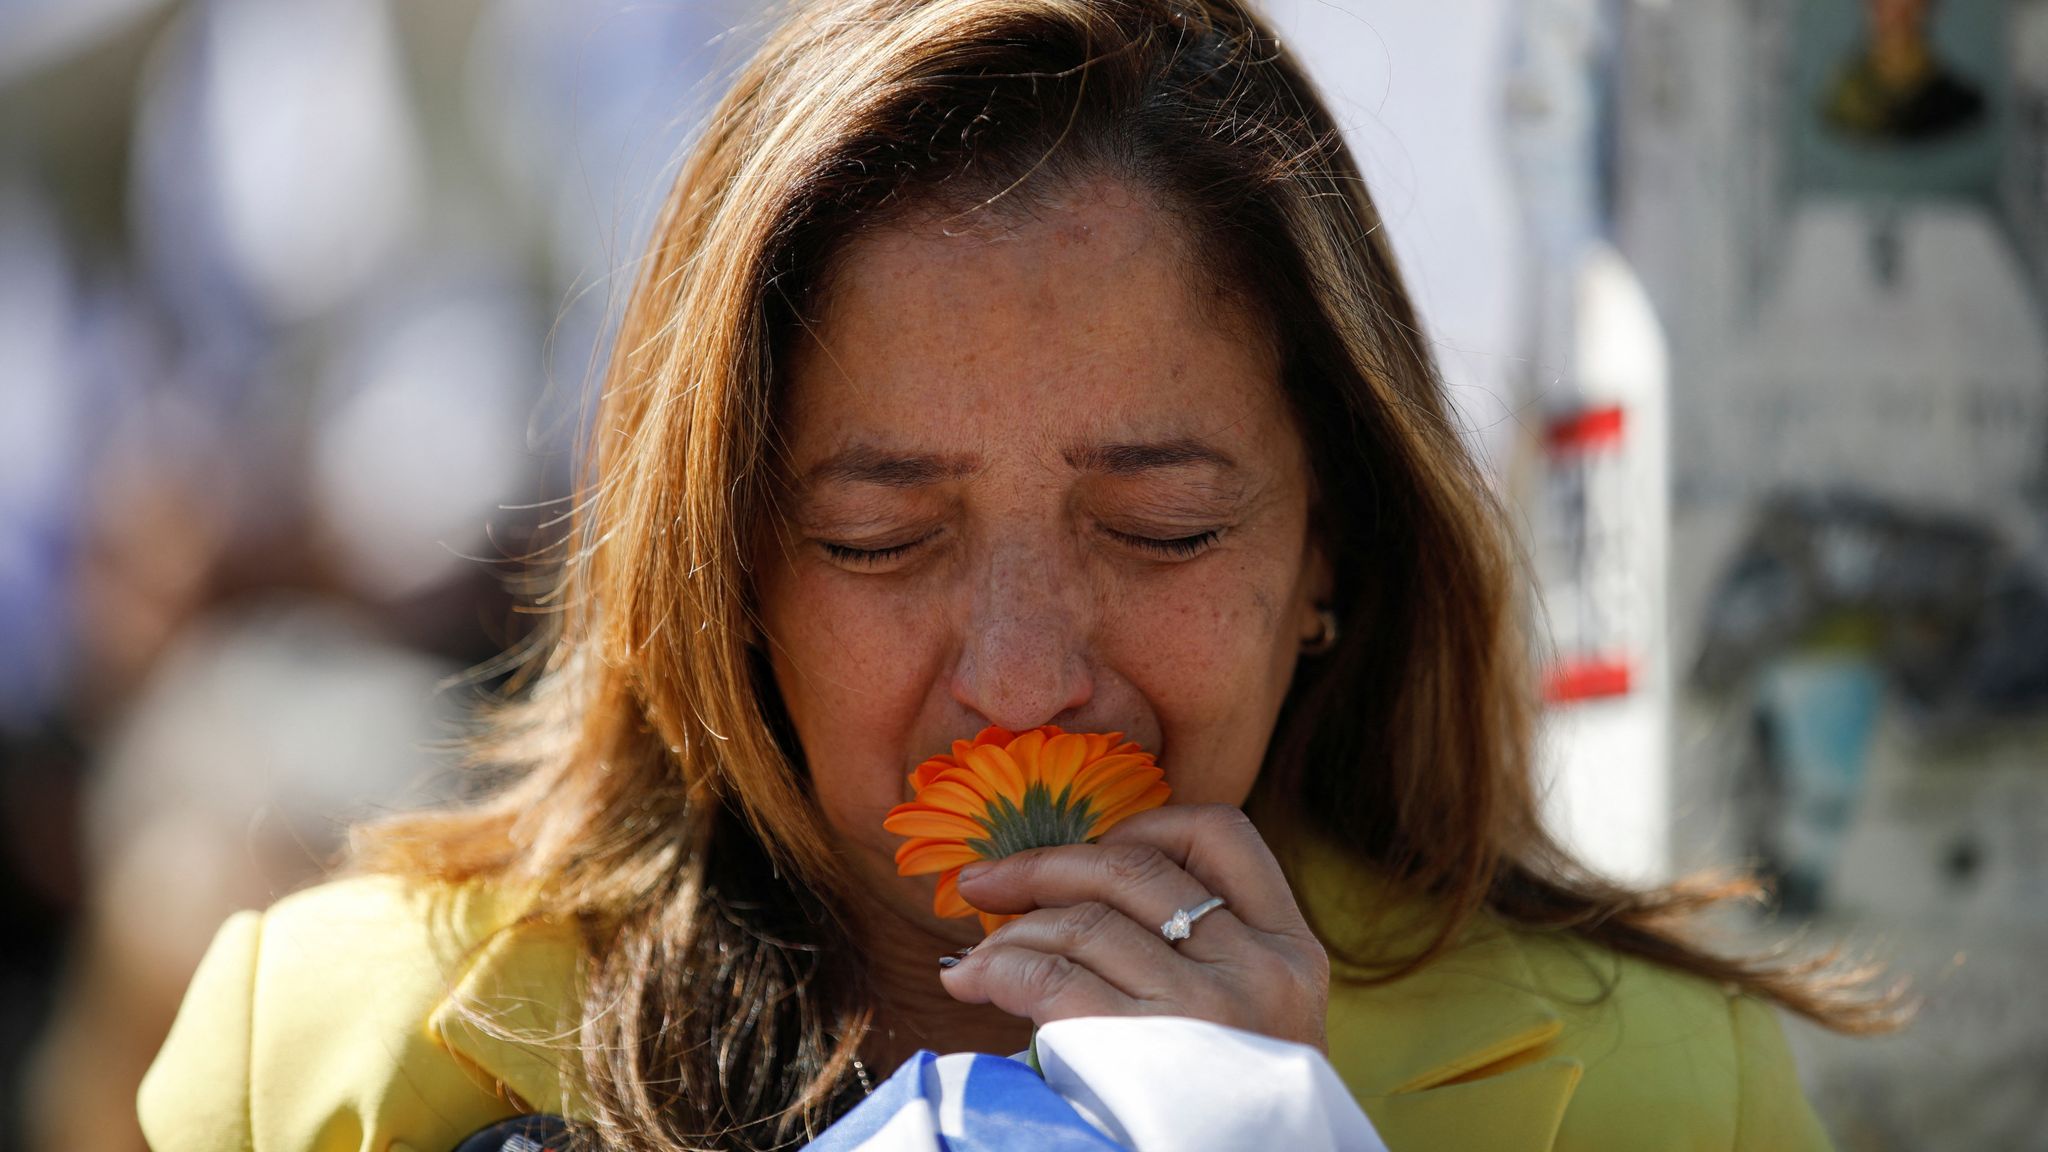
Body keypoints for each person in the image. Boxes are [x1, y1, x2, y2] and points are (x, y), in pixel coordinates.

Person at [138, 0, 1898, 1148]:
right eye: (879, 540)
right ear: (728, 568)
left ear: (1331, 551)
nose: (1023, 676)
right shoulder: (331, 1062)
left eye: (1163, 531)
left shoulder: (1661, 1097)